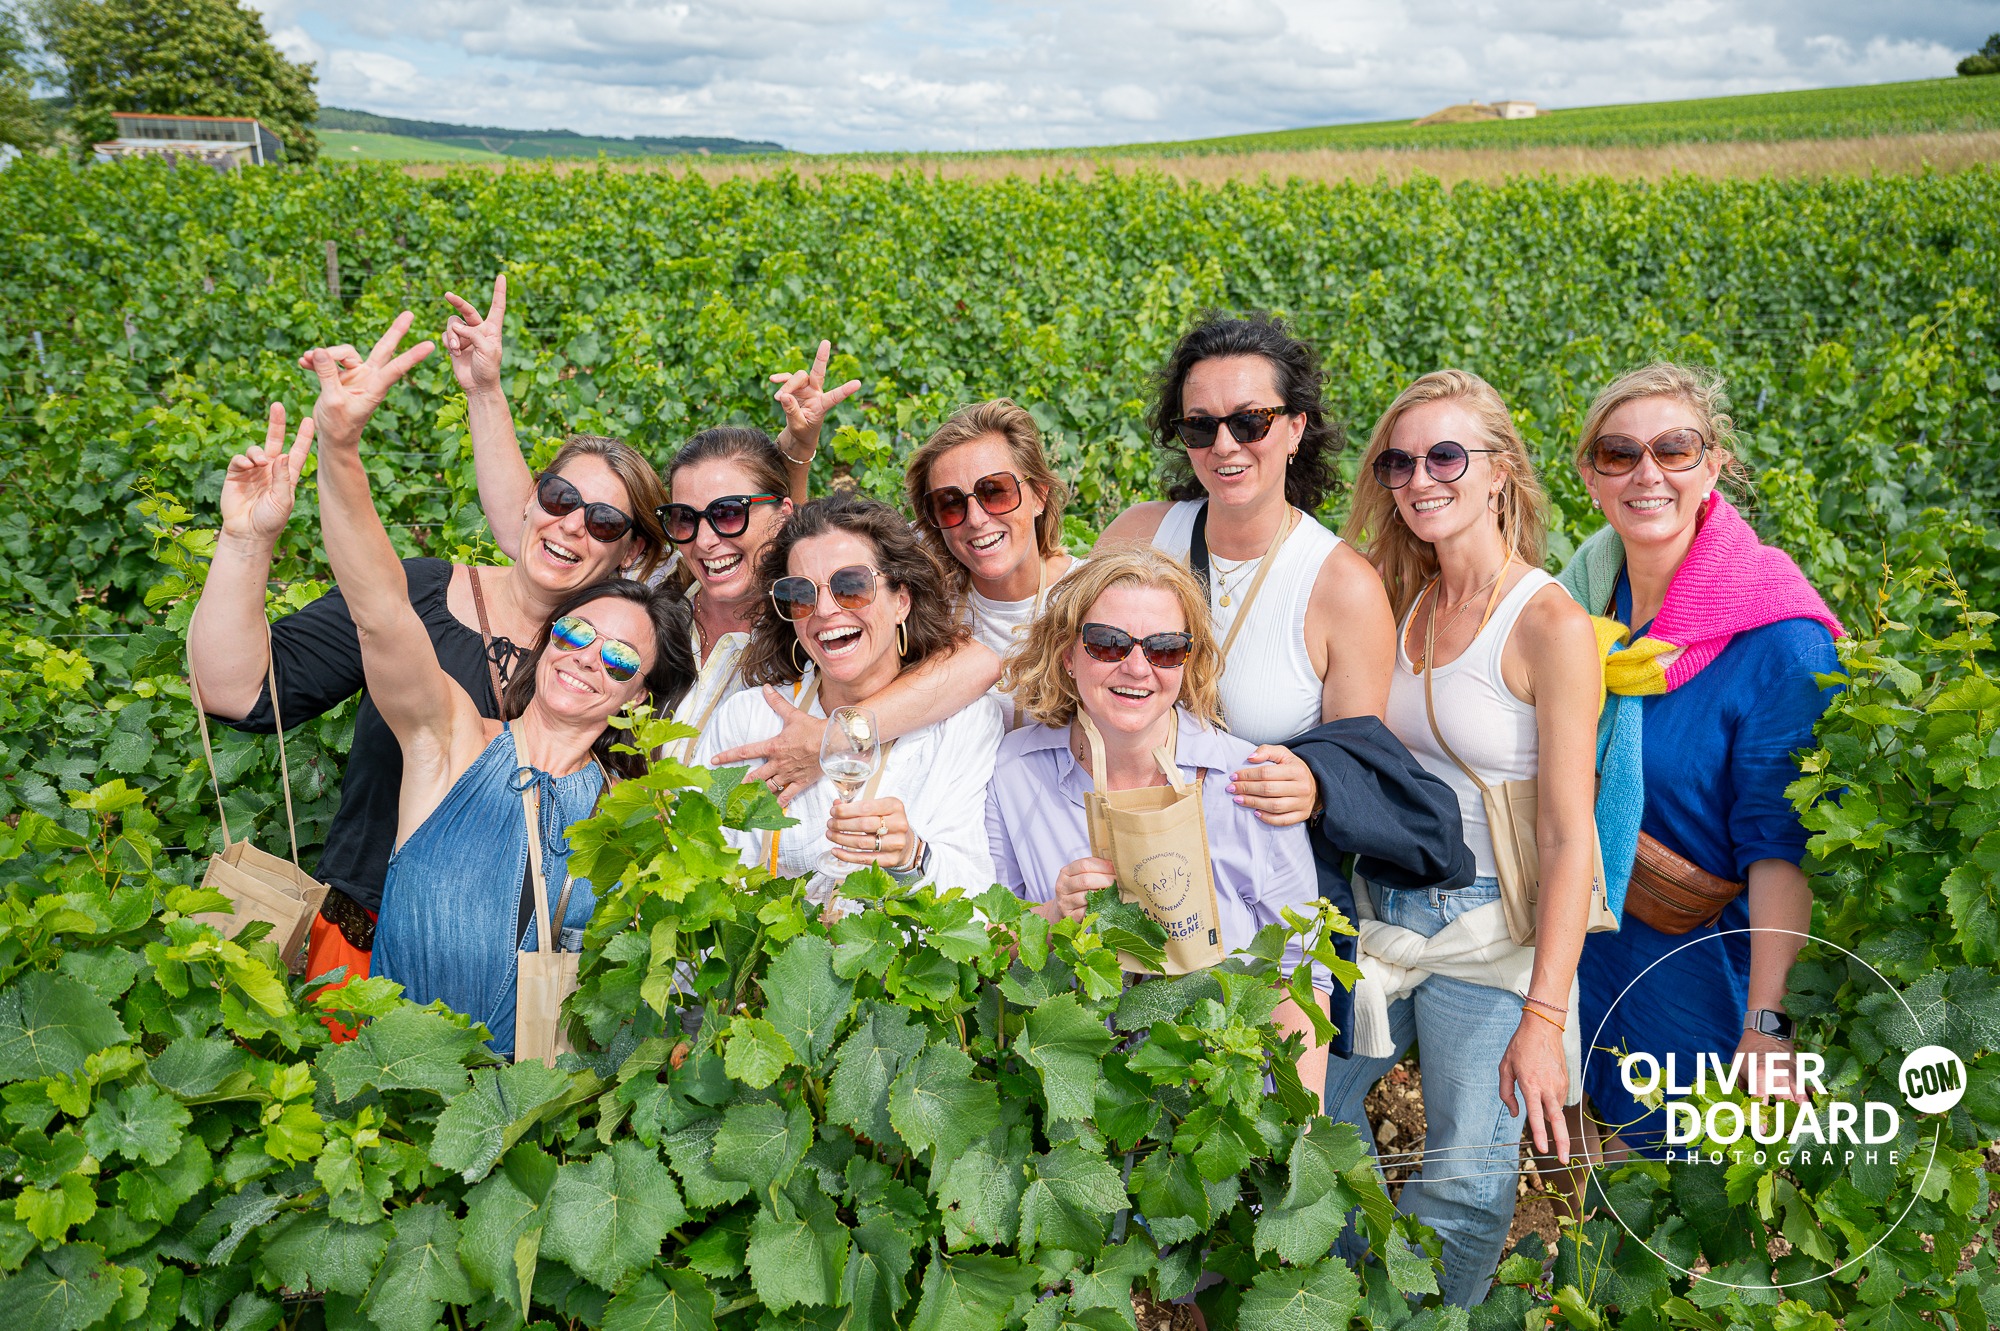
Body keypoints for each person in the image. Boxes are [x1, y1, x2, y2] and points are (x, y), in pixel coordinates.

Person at [189, 313, 671, 988]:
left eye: (604, 520)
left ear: (634, 551)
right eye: (560, 497)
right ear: (530, 500)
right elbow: (236, 689)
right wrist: (247, 541)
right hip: (361, 949)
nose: (572, 524)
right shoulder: (419, 593)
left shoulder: (602, 667)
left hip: (518, 981)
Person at [298, 314, 695, 1056]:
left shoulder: (630, 816)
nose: (586, 658)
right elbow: (382, 608)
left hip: (544, 1123)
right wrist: (341, 448)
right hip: (406, 1096)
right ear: (545, 646)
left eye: (617, 659)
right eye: (576, 635)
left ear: (638, 695)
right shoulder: (450, 736)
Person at [448, 277, 1000, 784]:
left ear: (781, 511)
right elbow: (523, 529)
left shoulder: (817, 615)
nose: (706, 539)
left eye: (729, 514)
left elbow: (975, 663)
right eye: (684, 519)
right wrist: (484, 390)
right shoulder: (656, 588)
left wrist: (841, 734)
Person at [1327, 369, 1602, 1307]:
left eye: (1446, 455)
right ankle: (1358, 1286)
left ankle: (1430, 1319)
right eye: (1399, 461)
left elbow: (1571, 837)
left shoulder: (1549, 623)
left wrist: (1544, 1016)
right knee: (1305, 1105)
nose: (1419, 477)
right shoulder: (1399, 596)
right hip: (1386, 908)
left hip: (1490, 929)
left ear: (1499, 473)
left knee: (1466, 1176)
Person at [1559, 364, 1842, 1164]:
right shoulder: (1580, 604)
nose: (1648, 473)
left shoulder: (1779, 639)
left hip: (1696, 974)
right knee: (1594, 1177)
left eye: (1674, 449)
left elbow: (1781, 851)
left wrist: (1768, 1025)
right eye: (1619, 453)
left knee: (1670, 1193)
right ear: (1591, 476)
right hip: (1585, 944)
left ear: (1712, 464)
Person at [986, 547, 1332, 1101]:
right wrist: (1051, 916)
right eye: (1107, 643)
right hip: (1072, 1094)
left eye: (1166, 649)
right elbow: (984, 943)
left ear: (1188, 663)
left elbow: (1299, 974)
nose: (1137, 667)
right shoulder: (1013, 773)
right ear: (1067, 654)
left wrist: (1299, 1119)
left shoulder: (1248, 785)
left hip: (1222, 1095)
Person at [1095, 312, 1396, 827]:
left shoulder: (1344, 588)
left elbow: (1358, 762)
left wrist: (1315, 787)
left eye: (1249, 422)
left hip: (1253, 863)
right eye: (1200, 425)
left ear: (1296, 428)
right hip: (1118, 829)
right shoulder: (1135, 537)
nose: (1225, 445)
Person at [695, 493, 1004, 893]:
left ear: (902, 601)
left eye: (851, 586)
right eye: (800, 594)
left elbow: (977, 901)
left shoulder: (963, 723)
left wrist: (912, 856)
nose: (824, 610)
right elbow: (705, 875)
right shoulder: (749, 719)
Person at [903, 399, 1083, 726]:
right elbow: (817, 566)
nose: (975, 518)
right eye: (950, 504)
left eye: (995, 492)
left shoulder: (1089, 597)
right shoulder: (925, 596)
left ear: (1039, 496)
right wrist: (799, 451)